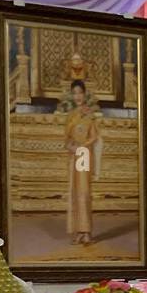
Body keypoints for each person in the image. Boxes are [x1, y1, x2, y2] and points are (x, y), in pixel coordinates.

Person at [63, 79, 99, 245]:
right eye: (74, 93)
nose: (77, 96)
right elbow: (67, 140)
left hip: (84, 155)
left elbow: (94, 137)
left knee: (84, 192)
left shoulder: (89, 114)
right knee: (75, 192)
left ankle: (87, 232)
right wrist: (71, 147)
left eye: (80, 92)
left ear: (85, 94)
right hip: (74, 156)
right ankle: (78, 231)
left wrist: (81, 147)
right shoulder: (71, 115)